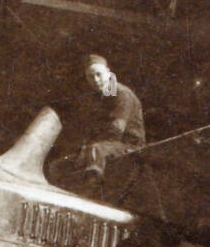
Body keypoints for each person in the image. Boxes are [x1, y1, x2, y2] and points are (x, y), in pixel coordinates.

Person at [53, 54, 146, 199]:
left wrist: (90, 147)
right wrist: (84, 148)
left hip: (129, 146)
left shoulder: (122, 95)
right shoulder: (97, 97)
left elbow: (116, 131)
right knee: (59, 166)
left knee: (96, 150)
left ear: (108, 73)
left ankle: (89, 195)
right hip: (103, 146)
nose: (96, 80)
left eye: (99, 74)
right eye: (91, 76)